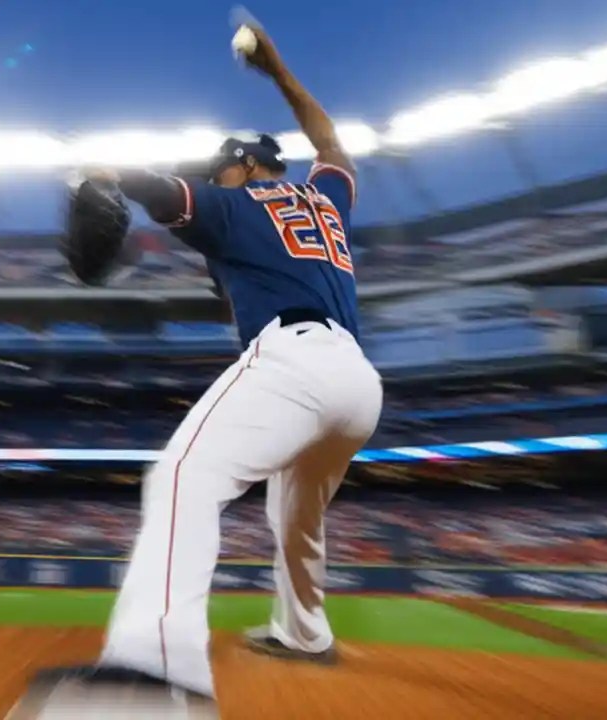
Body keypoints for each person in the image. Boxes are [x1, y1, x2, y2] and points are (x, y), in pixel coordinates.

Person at [25, 19, 384, 708]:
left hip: (296, 362)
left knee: (183, 476)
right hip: (359, 387)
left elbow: (167, 195)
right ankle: (304, 632)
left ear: (247, 165)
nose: (212, 176)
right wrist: (278, 70)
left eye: (221, 166)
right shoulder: (328, 200)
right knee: (296, 515)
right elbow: (332, 145)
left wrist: (106, 172)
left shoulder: (231, 201)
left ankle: (152, 671)